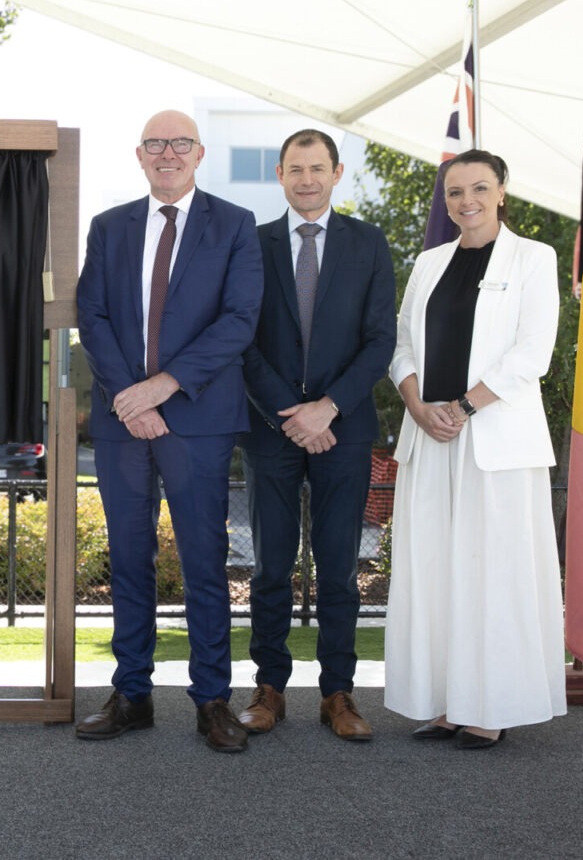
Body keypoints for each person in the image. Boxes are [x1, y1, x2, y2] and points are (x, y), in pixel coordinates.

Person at [75, 110, 262, 752]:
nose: (168, 153)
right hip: (123, 420)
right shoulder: (109, 227)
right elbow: (92, 315)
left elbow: (239, 320)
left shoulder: (235, 226)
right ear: (139, 154)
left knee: (205, 563)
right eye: (156, 143)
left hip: (199, 421)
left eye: (179, 143)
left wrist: (164, 386)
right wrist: (131, 398)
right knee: (129, 560)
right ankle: (132, 694)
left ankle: (213, 700)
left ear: (199, 153)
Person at [384, 149, 564, 749]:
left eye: (479, 188)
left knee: (494, 575)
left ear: (503, 191)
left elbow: (531, 355)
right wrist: (417, 405)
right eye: (455, 191)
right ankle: (443, 703)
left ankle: (491, 708)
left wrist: (462, 407)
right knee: (435, 573)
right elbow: (401, 344)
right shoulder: (429, 262)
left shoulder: (535, 258)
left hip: (494, 441)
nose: (467, 201)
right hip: (429, 436)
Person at [238, 129, 396, 741]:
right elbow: (241, 339)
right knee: (270, 567)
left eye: (318, 168)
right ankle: (269, 688)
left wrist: (326, 408)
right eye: (295, 168)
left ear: (337, 174)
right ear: (279, 174)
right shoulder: (251, 246)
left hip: (345, 429)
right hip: (270, 429)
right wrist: (290, 411)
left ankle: (339, 694)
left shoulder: (368, 243)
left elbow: (380, 339)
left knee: (337, 569)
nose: (307, 179)